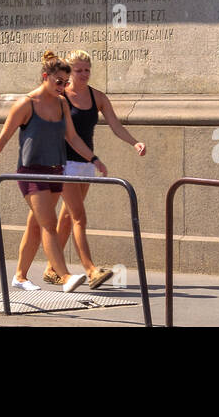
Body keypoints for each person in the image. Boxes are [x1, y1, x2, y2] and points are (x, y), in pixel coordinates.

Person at [0, 51, 107, 293]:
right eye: (58, 82)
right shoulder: (26, 104)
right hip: (31, 172)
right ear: (45, 76)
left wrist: (94, 159)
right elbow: (4, 137)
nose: (62, 87)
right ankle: (64, 276)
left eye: (66, 83)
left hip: (56, 171)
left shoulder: (62, 104)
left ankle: (20, 276)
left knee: (36, 225)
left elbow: (72, 138)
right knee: (49, 222)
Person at [37, 49, 146, 289]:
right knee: (78, 216)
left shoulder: (97, 97)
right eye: (78, 70)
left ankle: (51, 269)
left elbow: (116, 125)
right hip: (62, 163)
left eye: (87, 70)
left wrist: (134, 142)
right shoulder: (61, 96)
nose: (84, 74)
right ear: (70, 71)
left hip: (85, 165)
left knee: (67, 218)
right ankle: (91, 270)